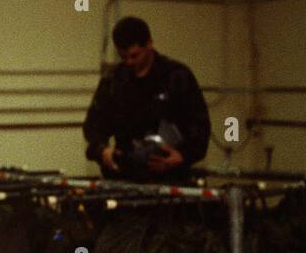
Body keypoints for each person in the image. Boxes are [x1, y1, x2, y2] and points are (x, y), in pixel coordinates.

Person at [82, 16, 211, 185]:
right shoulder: (114, 80)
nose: (129, 62)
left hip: (169, 177)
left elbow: (199, 126)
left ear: (149, 44)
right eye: (123, 57)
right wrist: (103, 150)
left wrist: (183, 155)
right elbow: (94, 124)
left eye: (134, 56)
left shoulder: (176, 77)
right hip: (126, 176)